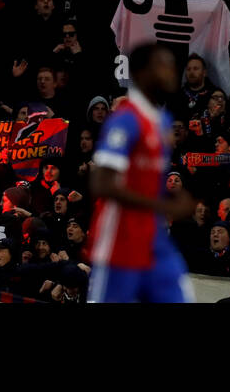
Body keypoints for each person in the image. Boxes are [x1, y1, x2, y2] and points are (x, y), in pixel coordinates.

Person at [87, 44, 196, 303]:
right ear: (141, 73)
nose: (171, 72)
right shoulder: (125, 120)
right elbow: (101, 184)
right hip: (120, 243)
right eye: (163, 65)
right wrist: (163, 205)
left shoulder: (162, 122)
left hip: (154, 239)